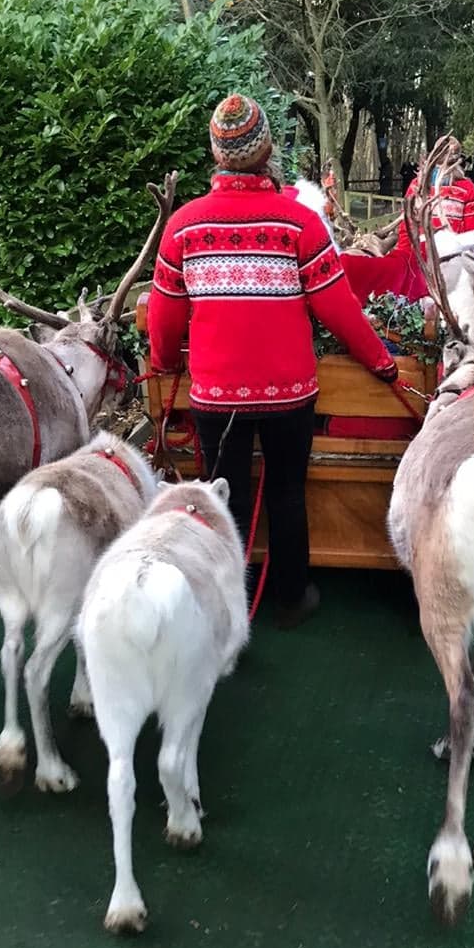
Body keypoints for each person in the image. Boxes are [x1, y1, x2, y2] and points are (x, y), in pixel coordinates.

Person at [146, 93, 399, 629]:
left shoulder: (184, 227)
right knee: (287, 491)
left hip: (215, 396)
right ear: (266, 153)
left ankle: (225, 606)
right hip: (290, 394)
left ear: (218, 155)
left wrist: (166, 362)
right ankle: (292, 597)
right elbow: (340, 311)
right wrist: (382, 363)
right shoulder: (299, 224)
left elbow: (164, 321)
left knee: (224, 497)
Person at [396, 140, 474, 266]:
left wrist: (403, 258)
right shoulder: (466, 186)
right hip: (454, 259)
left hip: (421, 258)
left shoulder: (417, 185)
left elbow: (406, 226)